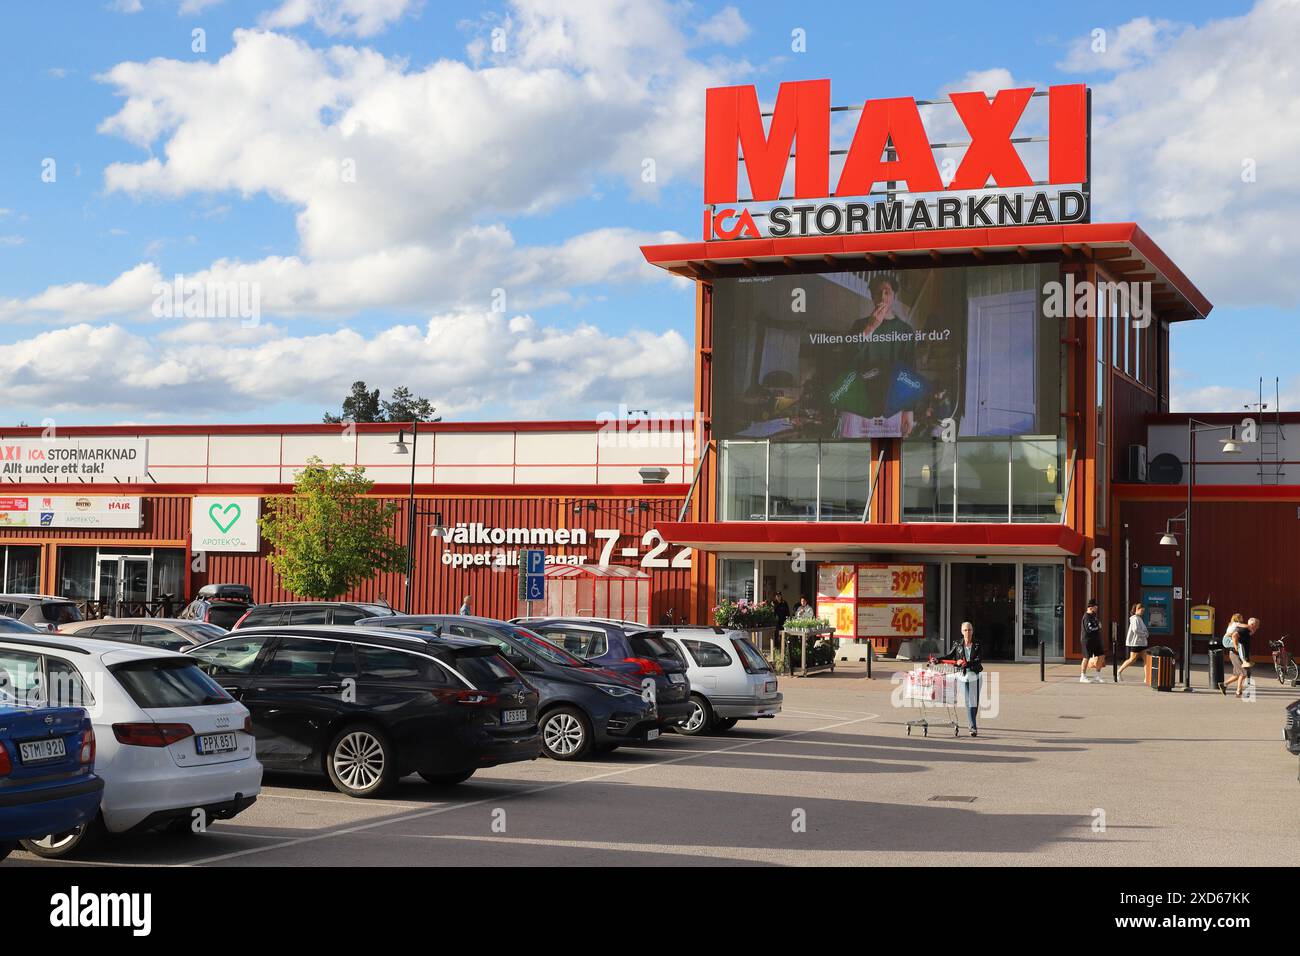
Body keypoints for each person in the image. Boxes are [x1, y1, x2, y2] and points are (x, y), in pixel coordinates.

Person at [943, 621, 984, 737]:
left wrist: (967, 663)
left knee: (974, 703)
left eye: (969, 630)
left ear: (972, 631)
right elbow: (949, 656)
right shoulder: (957, 644)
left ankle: (971, 722)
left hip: (975, 675)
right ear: (962, 631)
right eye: (965, 630)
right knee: (969, 701)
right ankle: (973, 727)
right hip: (963, 676)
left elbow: (979, 660)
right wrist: (938, 659)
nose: (967, 632)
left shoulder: (978, 644)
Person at [1115, 603, 1149, 681]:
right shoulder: (1135, 618)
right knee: (1132, 659)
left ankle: (1147, 677)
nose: (1142, 612)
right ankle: (1119, 672)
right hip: (1136, 643)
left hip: (1142, 643)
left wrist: (1145, 633)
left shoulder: (1139, 618)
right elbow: (1135, 630)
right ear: (1136, 610)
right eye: (1140, 610)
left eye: (1143, 610)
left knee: (1146, 660)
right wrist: (1145, 634)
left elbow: (1142, 629)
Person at [1079, 598, 1106, 683]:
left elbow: (1098, 624)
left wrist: (1098, 625)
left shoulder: (1094, 616)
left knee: (1101, 656)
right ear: (1091, 607)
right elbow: (1089, 629)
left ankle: (1097, 676)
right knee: (1086, 657)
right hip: (1087, 640)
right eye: (1095, 607)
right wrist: (1098, 626)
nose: (1097, 608)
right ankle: (1082, 676)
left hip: (1096, 640)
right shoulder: (1086, 616)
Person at [1220, 612, 1246, 696]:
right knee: (1243, 673)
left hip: (1227, 641)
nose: (1242, 619)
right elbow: (1244, 627)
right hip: (1227, 640)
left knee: (1238, 674)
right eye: (1241, 617)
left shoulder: (1231, 624)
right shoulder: (1236, 624)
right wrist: (1249, 626)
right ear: (1238, 618)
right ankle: (1238, 691)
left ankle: (1224, 685)